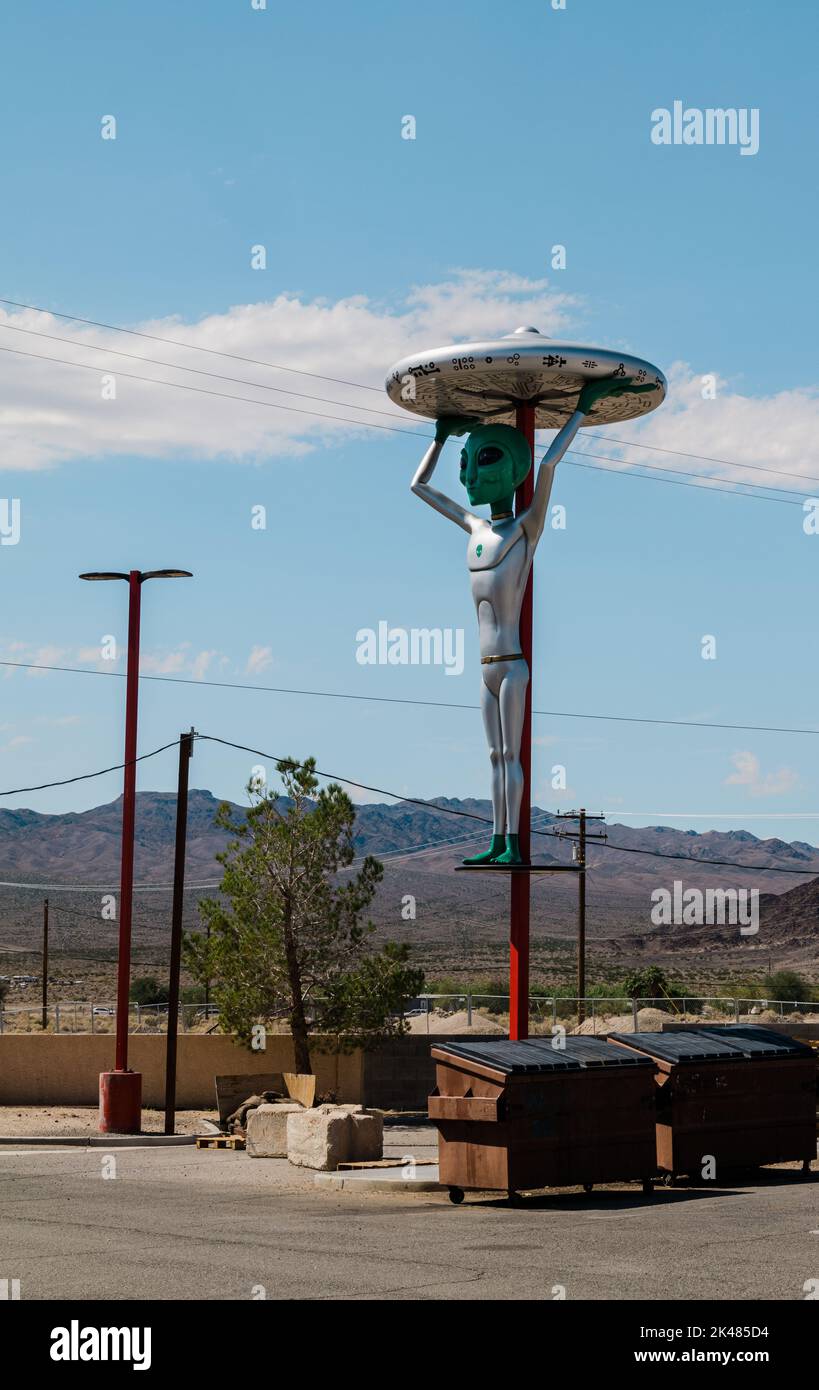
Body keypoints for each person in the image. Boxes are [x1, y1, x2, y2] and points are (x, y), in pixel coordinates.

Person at [411, 377, 653, 863]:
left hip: (512, 665)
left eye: (486, 459)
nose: (471, 476)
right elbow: (418, 486)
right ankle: (497, 841)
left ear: (512, 467)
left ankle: (515, 846)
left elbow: (548, 463)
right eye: (467, 463)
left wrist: (580, 409)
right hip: (484, 670)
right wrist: (440, 437)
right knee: (495, 757)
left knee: (513, 757)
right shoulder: (475, 528)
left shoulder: (526, 529)